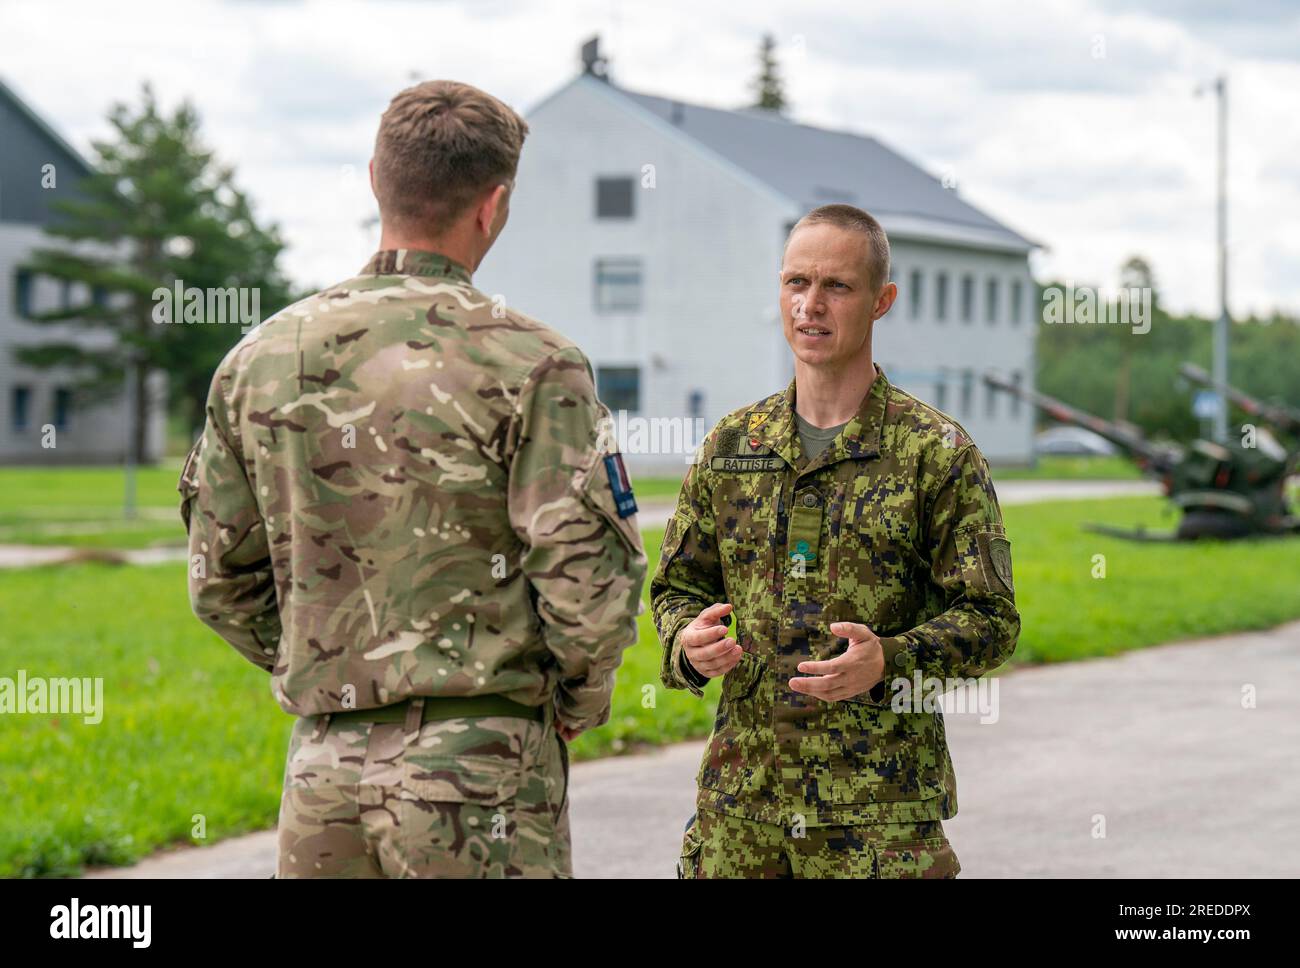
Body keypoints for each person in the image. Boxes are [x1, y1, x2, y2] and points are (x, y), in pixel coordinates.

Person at [179, 80, 646, 878]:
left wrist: (329, 666)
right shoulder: (536, 363)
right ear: (492, 205)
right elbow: (586, 590)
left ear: (374, 179)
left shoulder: (258, 362)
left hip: (322, 775)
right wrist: (573, 703)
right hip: (482, 772)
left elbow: (218, 579)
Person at [652, 203, 1019, 878]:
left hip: (877, 818)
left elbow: (991, 621)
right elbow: (677, 586)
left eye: (836, 287)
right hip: (743, 813)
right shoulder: (733, 448)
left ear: (882, 301)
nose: (810, 306)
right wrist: (686, 642)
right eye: (797, 283)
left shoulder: (934, 453)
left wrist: (893, 660)